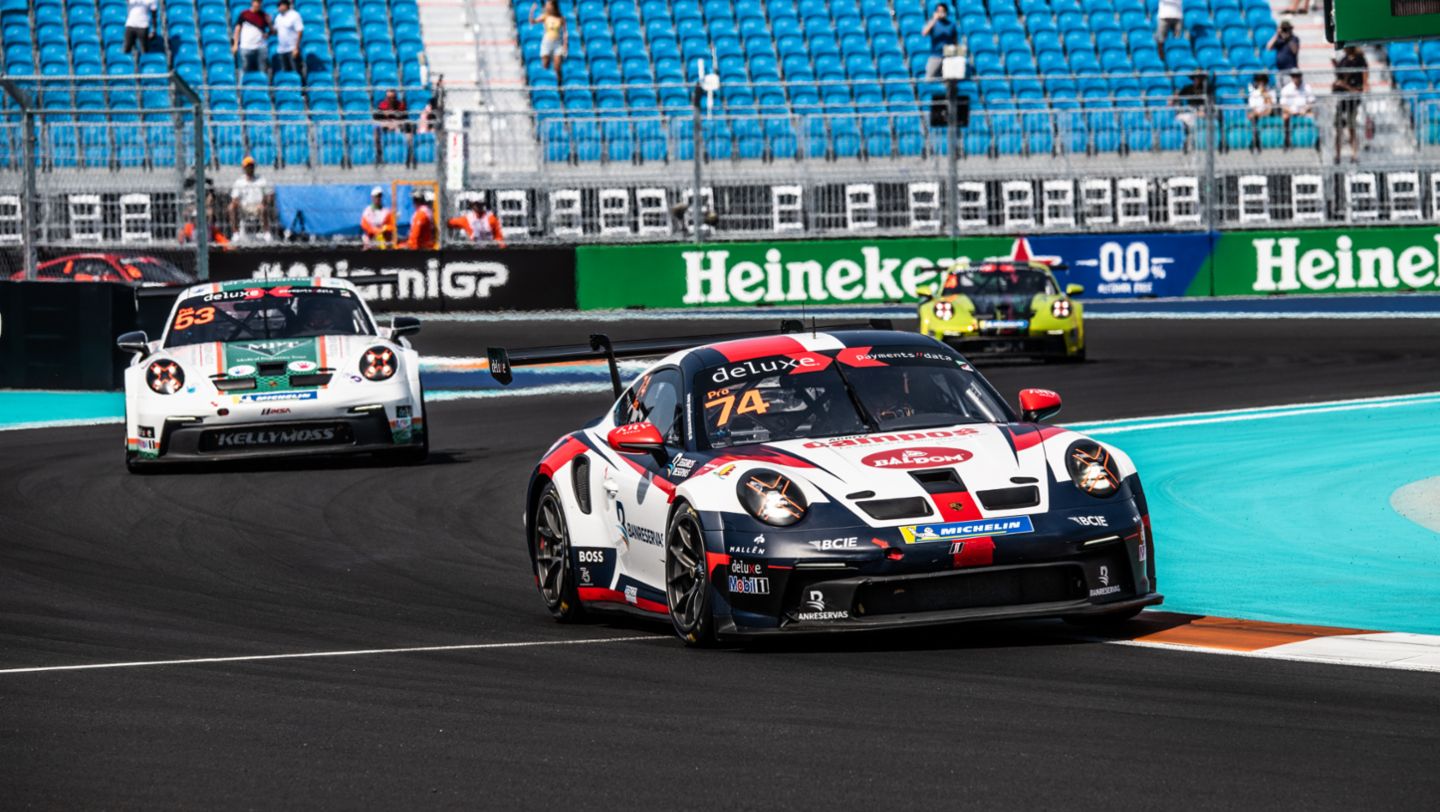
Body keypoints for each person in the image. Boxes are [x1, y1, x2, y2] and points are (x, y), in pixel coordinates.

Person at [1332, 45, 1369, 163]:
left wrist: (1345, 86)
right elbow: (1339, 76)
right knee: (1338, 128)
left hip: (1353, 101)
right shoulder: (1344, 59)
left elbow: (1362, 84)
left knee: (1351, 128)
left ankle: (1354, 155)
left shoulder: (1359, 59)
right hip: (1342, 100)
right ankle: (1337, 155)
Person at [228, 155, 273, 240]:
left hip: (258, 206)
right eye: (248, 166)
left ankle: (266, 232)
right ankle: (235, 233)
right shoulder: (239, 182)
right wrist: (238, 204)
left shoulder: (261, 180)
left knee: (263, 208)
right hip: (244, 207)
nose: (250, 168)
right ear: (244, 168)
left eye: (251, 166)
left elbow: (269, 194)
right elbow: (234, 198)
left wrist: (264, 202)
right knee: (231, 207)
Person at [1171, 71, 1212, 153]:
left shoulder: (1206, 89)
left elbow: (1210, 103)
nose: (1197, 80)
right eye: (1195, 78)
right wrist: (1173, 99)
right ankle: (1188, 139)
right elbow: (1177, 96)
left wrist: (1203, 111)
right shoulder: (1188, 87)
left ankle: (1190, 141)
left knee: (1192, 119)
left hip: (1201, 110)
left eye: (1199, 78)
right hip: (1191, 110)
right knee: (1182, 118)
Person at [529, 1, 568, 83]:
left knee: (557, 67)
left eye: (548, 5)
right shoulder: (545, 17)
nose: (547, 7)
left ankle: (559, 84)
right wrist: (532, 11)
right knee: (545, 65)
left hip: (557, 43)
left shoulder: (561, 18)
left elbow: (565, 33)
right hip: (547, 42)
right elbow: (532, 22)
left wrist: (565, 45)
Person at [373, 89, 413, 166]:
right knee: (376, 129)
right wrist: (386, 123)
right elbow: (376, 120)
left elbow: (406, 119)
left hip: (399, 127)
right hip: (385, 128)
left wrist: (396, 123)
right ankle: (379, 155)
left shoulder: (401, 106)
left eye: (392, 97)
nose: (390, 100)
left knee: (409, 130)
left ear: (395, 98)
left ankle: (409, 156)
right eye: (388, 97)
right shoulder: (382, 106)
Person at [1279, 70, 1315, 150]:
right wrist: (1291, 111)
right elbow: (1283, 105)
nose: (1296, 78)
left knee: (1313, 117)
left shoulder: (1307, 87)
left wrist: (1304, 110)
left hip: (1304, 112)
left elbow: (1311, 102)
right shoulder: (1286, 89)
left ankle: (1314, 140)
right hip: (1290, 112)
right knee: (1285, 117)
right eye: (1294, 76)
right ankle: (1286, 140)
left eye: (1297, 76)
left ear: (1301, 77)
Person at [920, 3, 958, 79]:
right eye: (939, 11)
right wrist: (934, 19)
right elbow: (924, 33)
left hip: (948, 56)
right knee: (929, 77)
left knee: (950, 80)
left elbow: (955, 41)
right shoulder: (934, 24)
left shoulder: (951, 25)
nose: (941, 13)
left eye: (943, 11)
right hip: (936, 55)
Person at [233, 0, 271, 75]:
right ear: (252, 2)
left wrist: (269, 24)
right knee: (244, 71)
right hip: (246, 47)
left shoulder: (264, 16)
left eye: (260, 2)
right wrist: (235, 44)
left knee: (262, 71)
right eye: (256, 2)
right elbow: (237, 29)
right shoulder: (244, 14)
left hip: (260, 48)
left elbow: (271, 31)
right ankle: (242, 86)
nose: (258, 4)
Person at [1246, 73, 1275, 153]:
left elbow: (1270, 109)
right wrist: (1257, 113)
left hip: (1267, 114)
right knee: (1253, 117)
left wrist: (1265, 95)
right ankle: (1256, 141)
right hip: (1257, 115)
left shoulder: (1271, 92)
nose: (1261, 83)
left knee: (1253, 117)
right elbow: (1253, 108)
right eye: (1259, 81)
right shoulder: (1254, 93)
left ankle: (1255, 142)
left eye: (1263, 81)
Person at [273, 0, 304, 75]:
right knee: (285, 74)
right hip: (282, 50)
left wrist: (296, 48)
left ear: (286, 6)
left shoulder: (294, 15)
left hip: (292, 49)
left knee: (296, 72)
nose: (279, 8)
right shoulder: (278, 17)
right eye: (279, 6)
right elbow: (275, 31)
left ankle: (300, 86)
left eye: (281, 5)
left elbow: (300, 31)